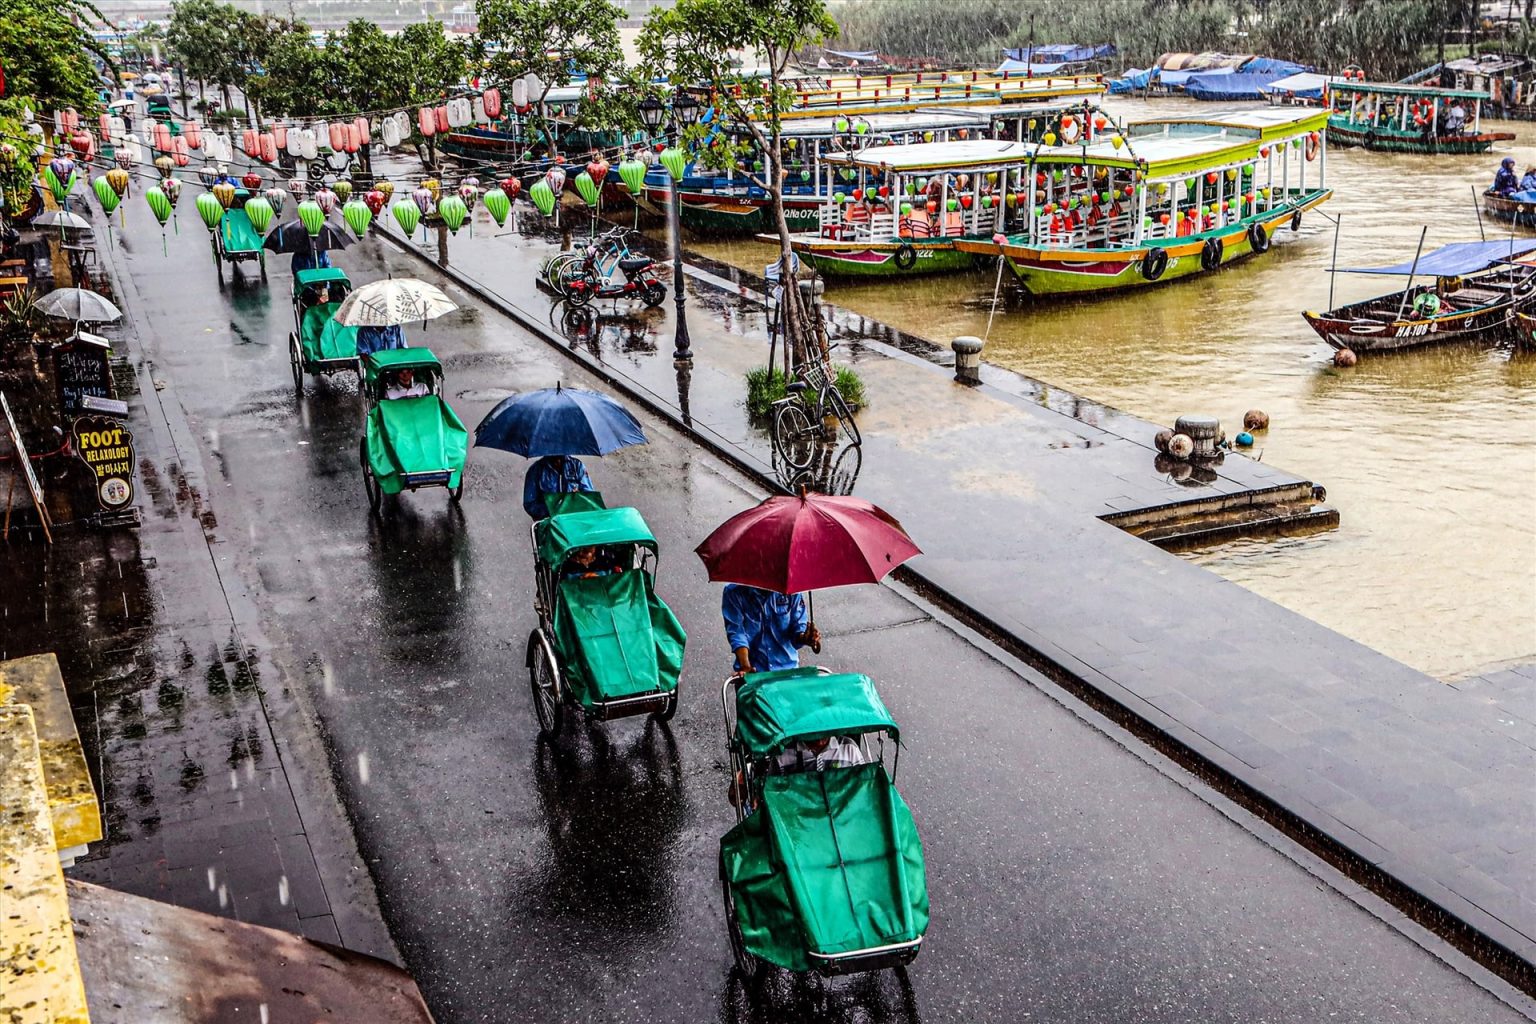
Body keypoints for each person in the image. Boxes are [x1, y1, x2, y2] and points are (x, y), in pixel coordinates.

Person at [721, 583, 821, 675]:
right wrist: (745, 666)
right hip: (753, 672)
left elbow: (797, 630)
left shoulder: (792, 592)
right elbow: (737, 632)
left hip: (788, 671)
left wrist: (806, 638)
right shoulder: (734, 592)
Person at [522, 454, 594, 519]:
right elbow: (530, 504)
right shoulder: (536, 470)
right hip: (550, 523)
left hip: (575, 520)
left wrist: (579, 498)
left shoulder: (577, 466)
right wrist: (552, 509)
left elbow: (590, 497)